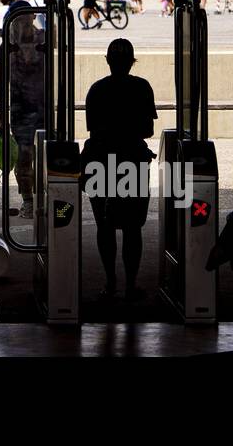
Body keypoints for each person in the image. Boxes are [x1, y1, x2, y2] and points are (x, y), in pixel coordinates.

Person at [83, 39, 156, 301]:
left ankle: (110, 282)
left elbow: (93, 129)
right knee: (132, 227)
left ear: (108, 60)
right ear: (131, 62)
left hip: (101, 160)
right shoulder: (142, 87)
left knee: (105, 224)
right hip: (132, 161)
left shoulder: (97, 90)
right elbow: (147, 130)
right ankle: (130, 285)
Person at [0, 13, 42, 218]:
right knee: (23, 159)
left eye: (26, 19)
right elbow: (2, 84)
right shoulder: (8, 46)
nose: (23, 24)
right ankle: (28, 200)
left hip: (42, 110)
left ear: (33, 18)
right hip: (20, 111)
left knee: (42, 157)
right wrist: (2, 117)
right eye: (19, 20)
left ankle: (41, 199)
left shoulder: (43, 40)